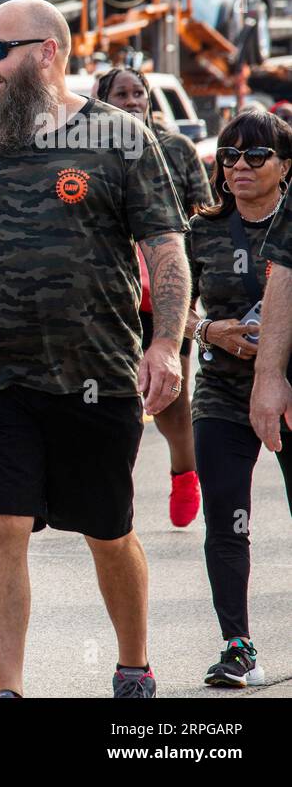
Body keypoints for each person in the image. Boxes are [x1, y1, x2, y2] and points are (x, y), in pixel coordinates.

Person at [0, 0, 190, 698]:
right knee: (1, 526)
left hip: (96, 370)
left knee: (108, 530)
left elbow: (164, 250)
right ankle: (8, 689)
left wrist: (165, 345)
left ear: (47, 52)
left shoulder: (121, 137)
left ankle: (133, 662)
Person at [187, 109, 292, 687]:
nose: (240, 166)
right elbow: (172, 309)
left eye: (256, 155)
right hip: (223, 394)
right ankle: (237, 645)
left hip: (288, 392)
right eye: (230, 155)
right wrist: (212, 331)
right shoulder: (201, 228)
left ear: (285, 164)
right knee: (227, 521)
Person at [98, 67, 213, 528]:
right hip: (110, 298)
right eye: (120, 94)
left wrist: (192, 300)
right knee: (113, 398)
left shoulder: (176, 150)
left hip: (165, 296)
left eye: (137, 93)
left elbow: (203, 224)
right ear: (102, 101)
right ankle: (109, 493)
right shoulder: (89, 148)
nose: (131, 101)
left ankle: (185, 475)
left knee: (168, 396)